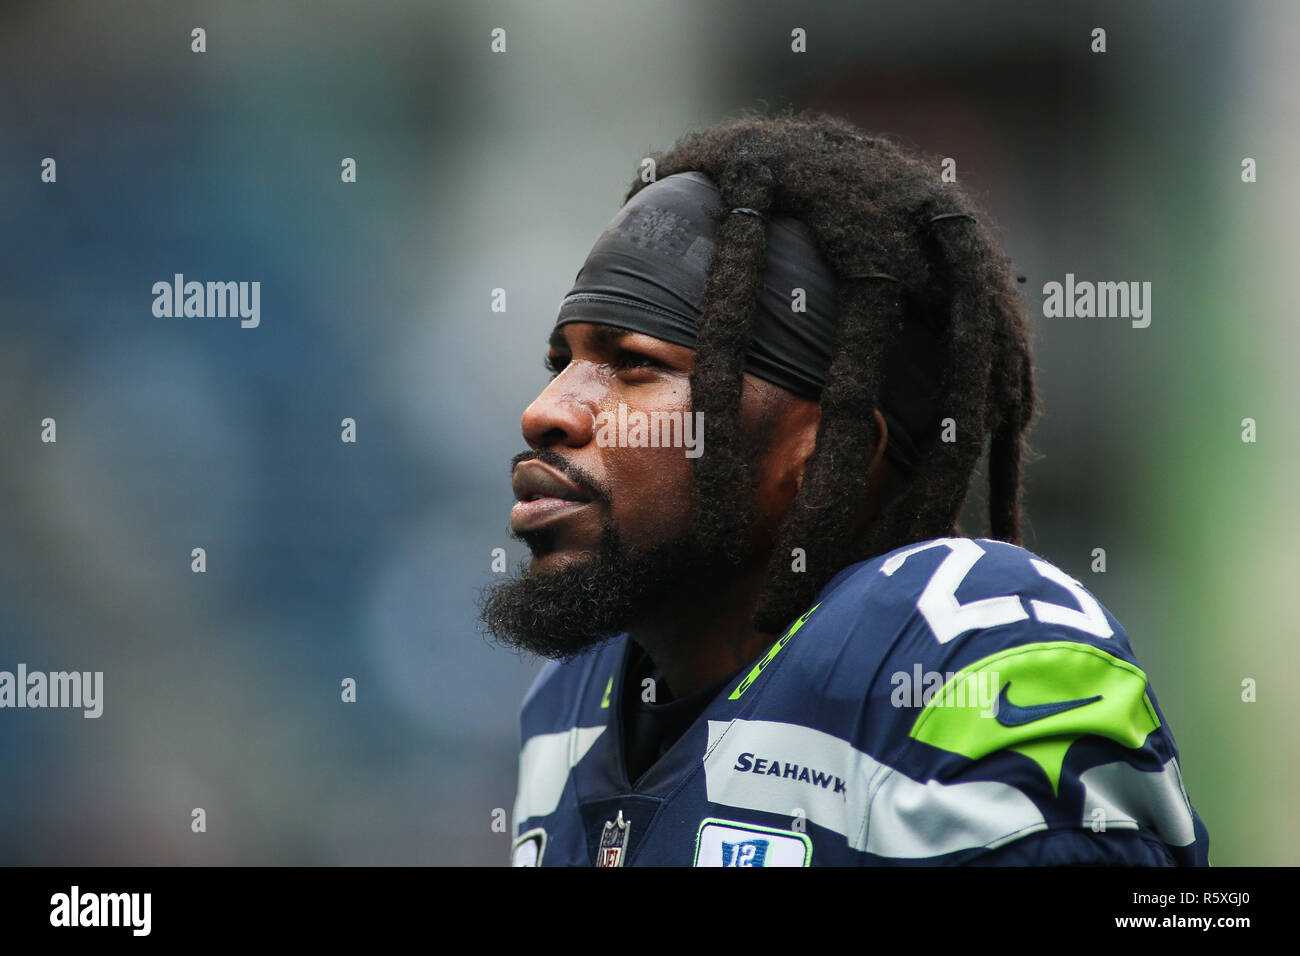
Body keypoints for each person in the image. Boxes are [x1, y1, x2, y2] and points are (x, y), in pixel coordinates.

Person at [480, 109, 1210, 866]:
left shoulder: (962, 654)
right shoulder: (568, 702)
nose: (546, 413)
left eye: (635, 364)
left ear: (832, 446)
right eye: (559, 363)